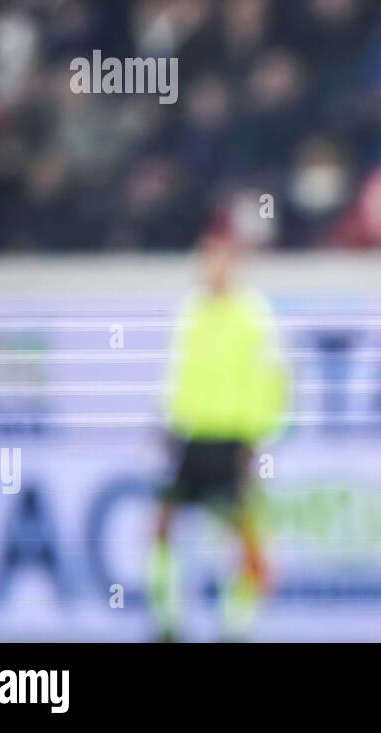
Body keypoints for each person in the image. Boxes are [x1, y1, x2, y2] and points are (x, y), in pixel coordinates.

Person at [149, 220, 289, 642]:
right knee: (162, 529)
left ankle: (235, 625)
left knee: (249, 543)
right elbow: (178, 375)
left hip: (233, 442)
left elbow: (272, 382)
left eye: (221, 258)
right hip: (194, 438)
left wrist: (257, 438)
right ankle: (169, 620)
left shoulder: (253, 316)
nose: (213, 267)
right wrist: (171, 423)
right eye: (207, 257)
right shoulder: (191, 312)